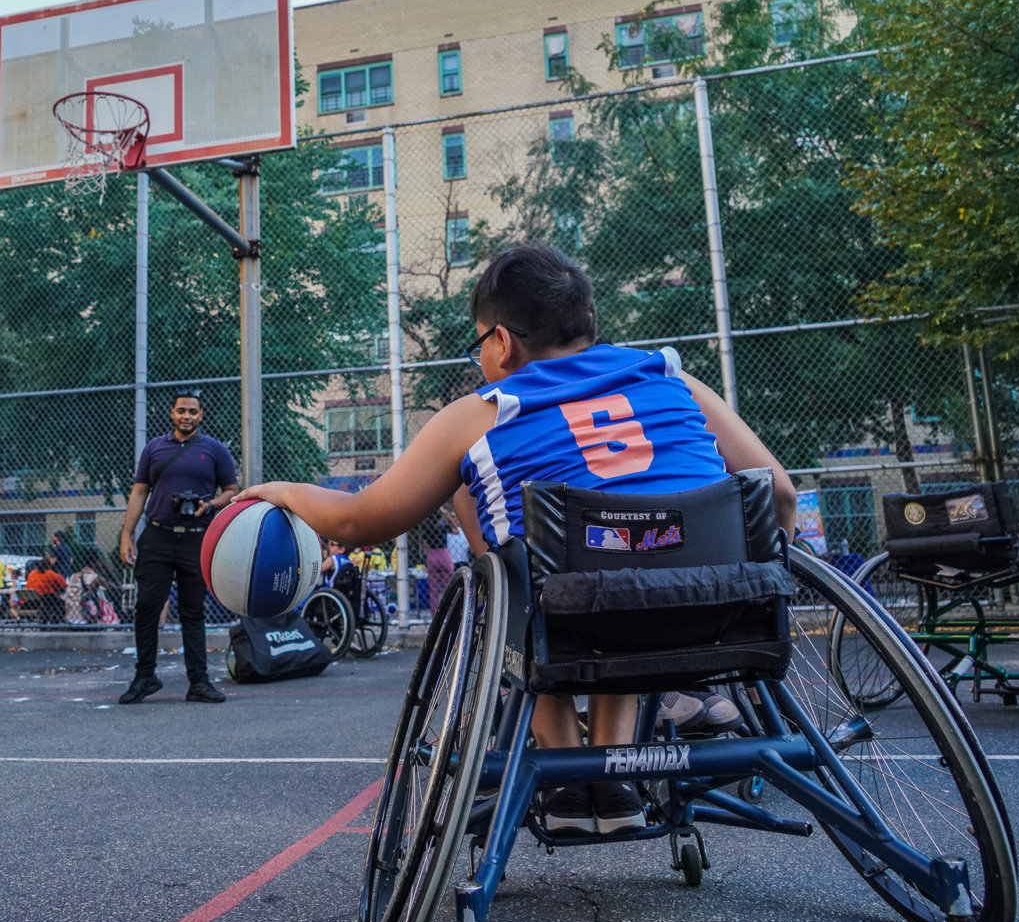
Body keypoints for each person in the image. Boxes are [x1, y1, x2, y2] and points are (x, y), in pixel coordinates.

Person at [237, 243, 794, 836]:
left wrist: (280, 491)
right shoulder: (671, 376)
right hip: (712, 613)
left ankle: (563, 773)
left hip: (570, 624)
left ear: (501, 343)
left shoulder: (483, 411)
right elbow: (780, 493)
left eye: (478, 342)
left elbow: (360, 522)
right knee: (626, 563)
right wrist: (757, 584)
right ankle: (611, 775)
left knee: (534, 579)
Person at [117, 388, 240, 704]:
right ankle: (145, 677)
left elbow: (232, 491)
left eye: (193, 411)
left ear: (201, 416)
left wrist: (209, 504)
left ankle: (198, 682)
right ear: (172, 413)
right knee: (146, 608)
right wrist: (127, 534)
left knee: (192, 612)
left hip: (197, 537)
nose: (186, 416)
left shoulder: (215, 450)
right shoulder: (155, 448)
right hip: (157, 535)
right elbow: (139, 492)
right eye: (181, 410)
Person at [24, 556, 68, 624]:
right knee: (60, 603)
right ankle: (56, 620)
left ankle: (44, 620)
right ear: (49, 565)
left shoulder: (32, 574)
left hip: (30, 600)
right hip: (46, 599)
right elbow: (64, 585)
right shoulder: (51, 574)